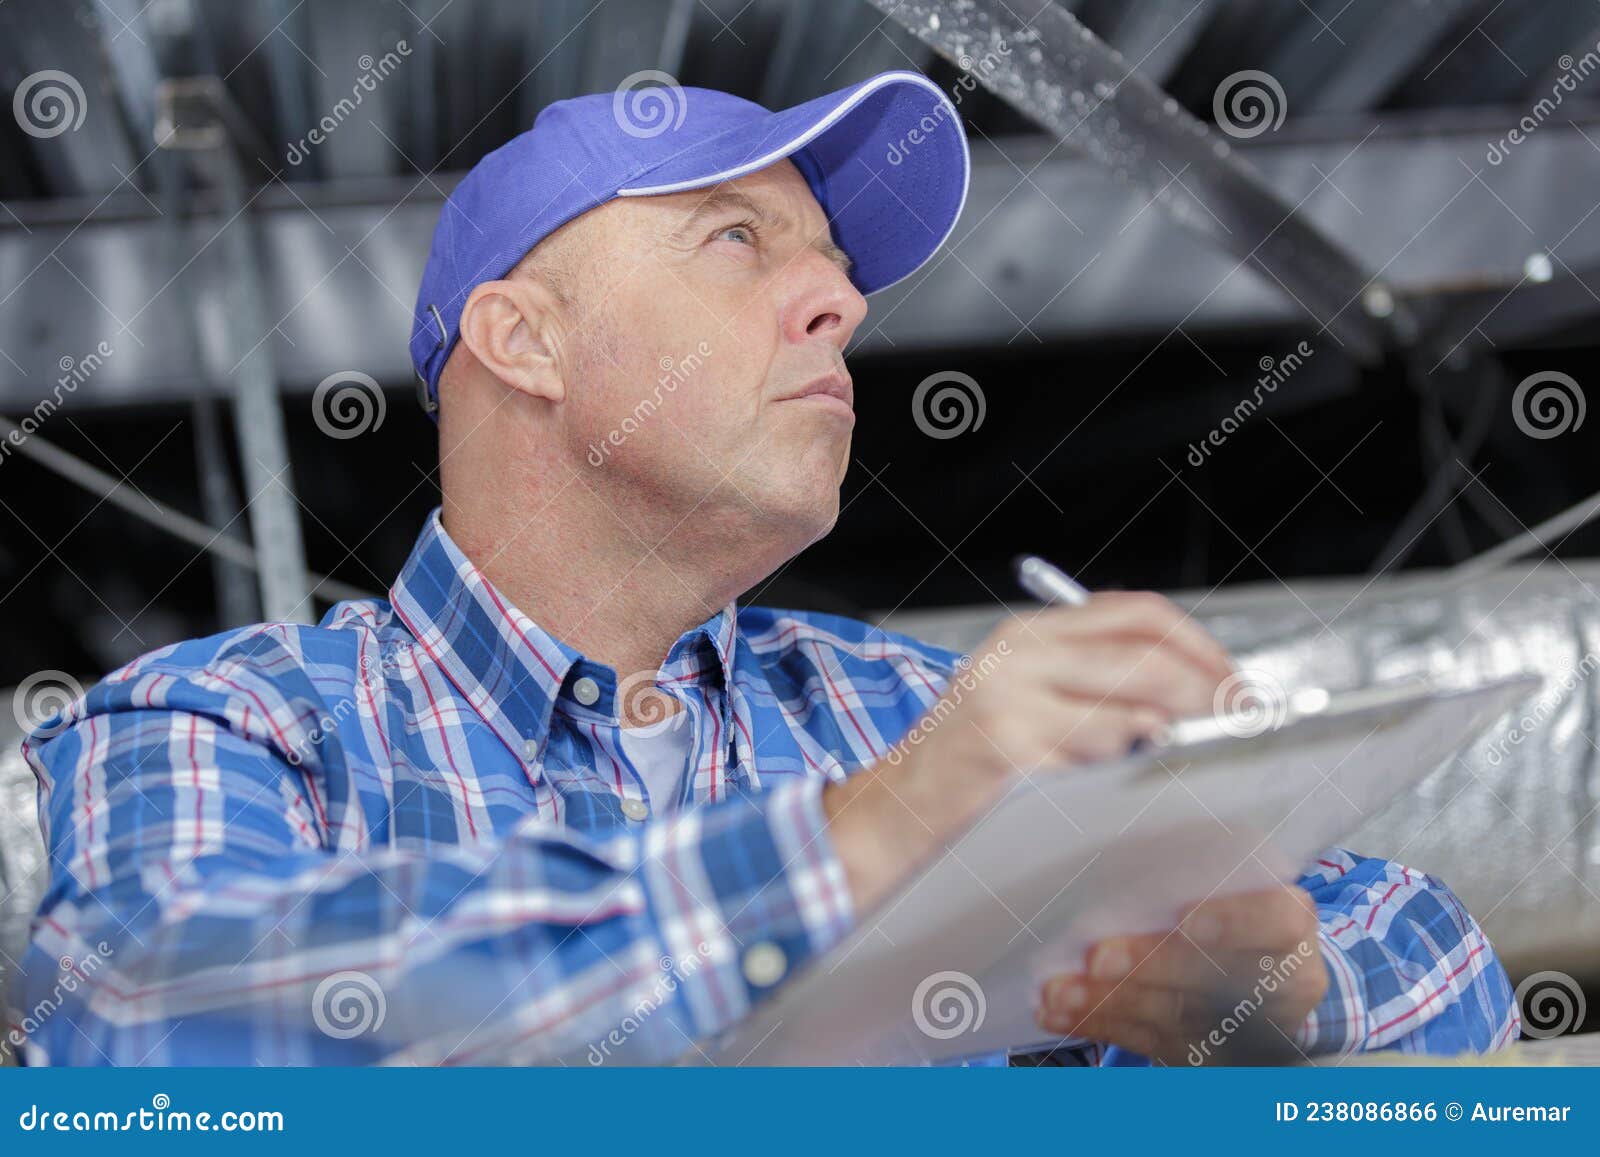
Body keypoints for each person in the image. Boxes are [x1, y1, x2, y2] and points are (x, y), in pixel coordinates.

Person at [18, 69, 1517, 1066]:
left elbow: (1443, 952)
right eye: (737, 238)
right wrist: (864, 846)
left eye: (838, 270)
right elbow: (149, 1014)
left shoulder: (909, 713)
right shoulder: (234, 725)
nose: (838, 305)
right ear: (519, 340)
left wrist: (1285, 1001)